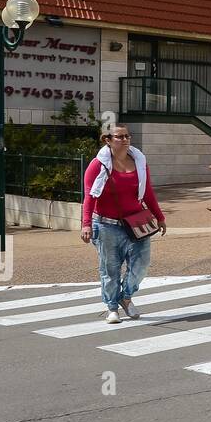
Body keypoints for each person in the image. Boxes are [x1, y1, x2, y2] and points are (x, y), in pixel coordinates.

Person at [81, 125, 166, 324]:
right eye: (120, 137)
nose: (125, 139)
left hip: (136, 222)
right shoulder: (98, 165)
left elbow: (147, 193)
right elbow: (89, 196)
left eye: (127, 136)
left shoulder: (140, 162)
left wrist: (159, 216)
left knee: (141, 264)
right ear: (108, 140)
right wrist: (86, 224)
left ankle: (125, 297)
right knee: (110, 269)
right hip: (105, 225)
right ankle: (112, 306)